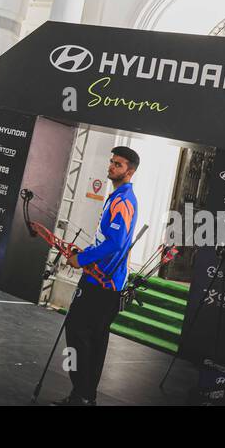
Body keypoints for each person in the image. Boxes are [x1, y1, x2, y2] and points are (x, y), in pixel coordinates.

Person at [55, 146, 140, 406]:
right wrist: (88, 252)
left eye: (119, 164)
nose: (112, 167)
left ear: (130, 171)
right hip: (100, 281)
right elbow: (105, 239)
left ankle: (81, 393)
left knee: (79, 333)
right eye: (112, 162)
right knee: (93, 338)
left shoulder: (124, 200)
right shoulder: (116, 197)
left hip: (103, 284)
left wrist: (82, 259)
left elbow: (115, 243)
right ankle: (83, 396)